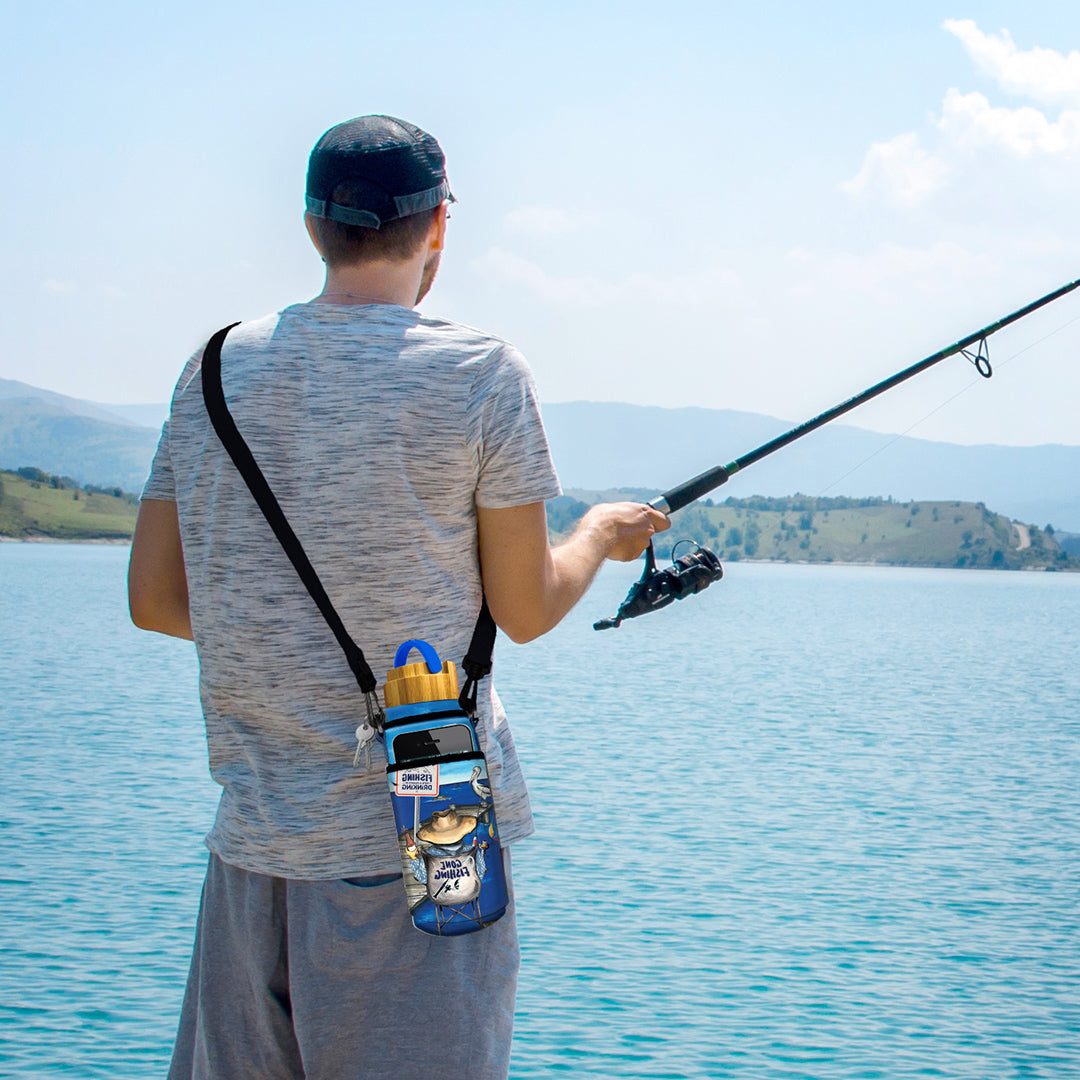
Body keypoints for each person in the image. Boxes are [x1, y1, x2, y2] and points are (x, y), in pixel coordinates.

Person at [128, 114, 669, 1080]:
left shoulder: (209, 371)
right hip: (425, 830)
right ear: (438, 229)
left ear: (310, 225)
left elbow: (157, 599)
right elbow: (528, 607)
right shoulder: (481, 374)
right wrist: (597, 535)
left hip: (251, 853)